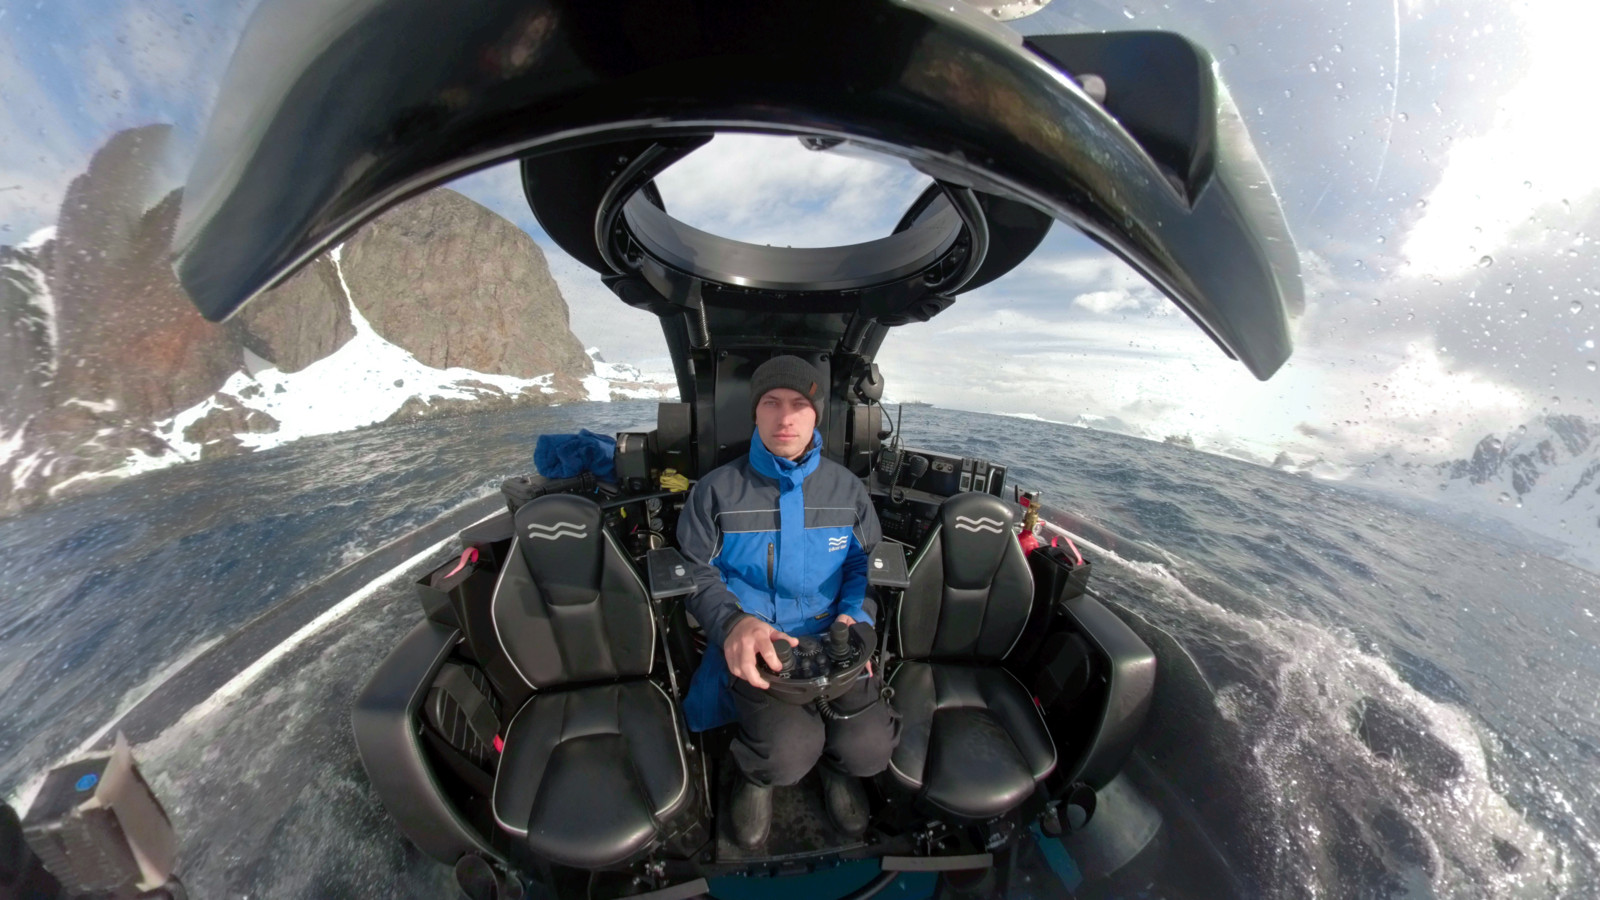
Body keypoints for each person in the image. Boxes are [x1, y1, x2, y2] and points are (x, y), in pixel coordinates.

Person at [678, 355, 900, 850]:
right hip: (762, 648)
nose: (785, 417)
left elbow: (866, 565)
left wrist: (856, 613)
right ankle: (758, 776)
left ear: (816, 414)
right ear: (755, 413)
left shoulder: (848, 490)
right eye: (772, 403)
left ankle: (839, 767)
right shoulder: (715, 491)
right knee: (786, 753)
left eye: (799, 404)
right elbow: (695, 570)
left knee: (870, 751)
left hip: (836, 641)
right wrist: (733, 623)